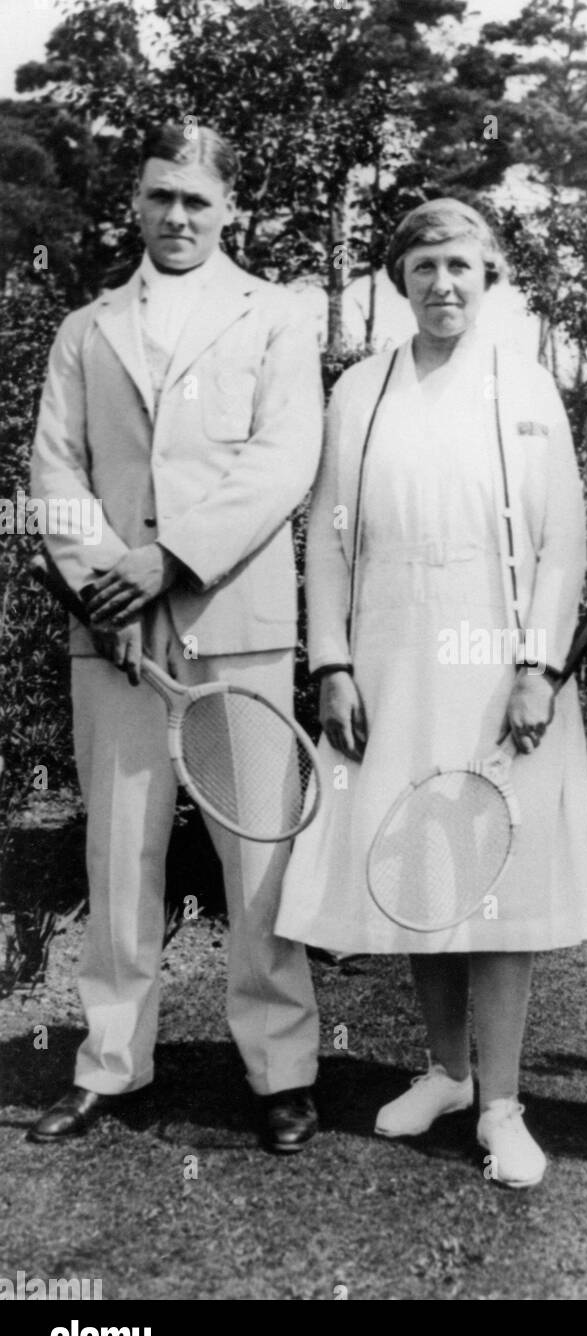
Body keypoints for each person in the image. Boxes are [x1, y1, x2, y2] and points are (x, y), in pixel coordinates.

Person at [275, 198, 587, 1188]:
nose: (443, 284)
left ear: (489, 274)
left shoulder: (527, 387)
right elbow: (328, 539)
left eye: (460, 265)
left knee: (495, 874)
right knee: (422, 862)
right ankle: (445, 1072)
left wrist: (540, 668)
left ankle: (501, 1105)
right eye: (422, 267)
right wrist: (331, 662)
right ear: (399, 279)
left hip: (502, 668)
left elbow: (562, 546)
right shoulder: (361, 390)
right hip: (392, 661)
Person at [28, 123, 324, 1154]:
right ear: (138, 201)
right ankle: (112, 1061)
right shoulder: (84, 328)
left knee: (260, 861)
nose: (179, 216)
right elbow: (54, 475)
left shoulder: (279, 316)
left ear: (228, 206)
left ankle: (280, 1067)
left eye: (198, 200)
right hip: (113, 639)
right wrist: (106, 585)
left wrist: (171, 561)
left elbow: (283, 460)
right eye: (161, 197)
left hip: (236, 632)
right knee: (118, 857)